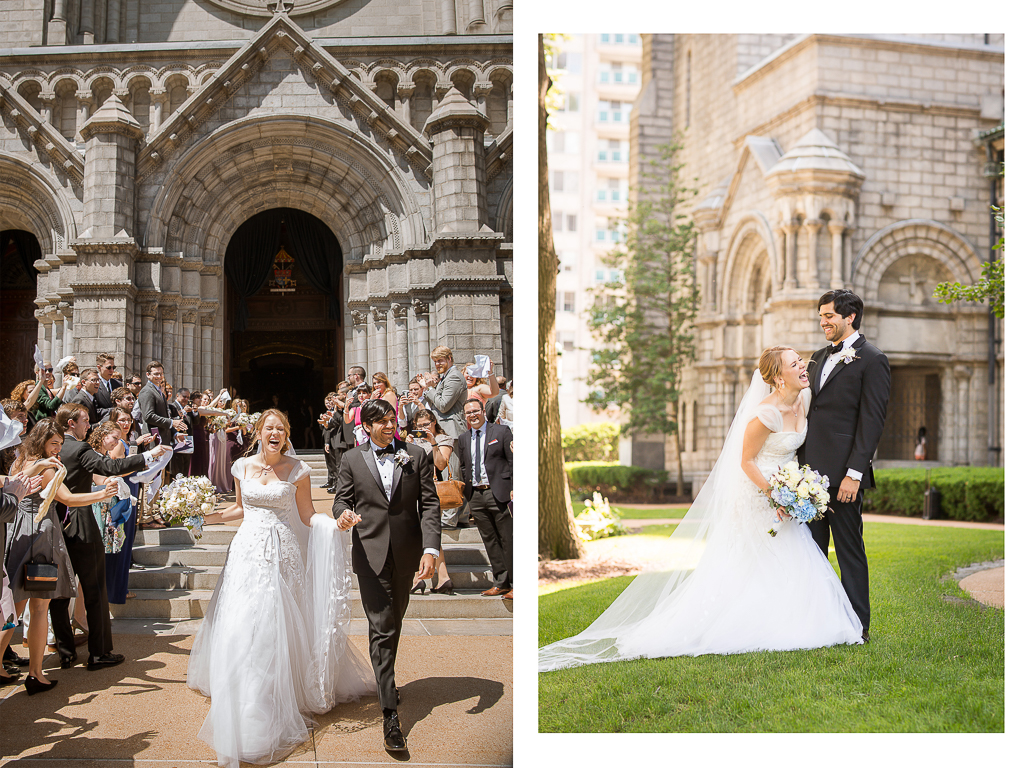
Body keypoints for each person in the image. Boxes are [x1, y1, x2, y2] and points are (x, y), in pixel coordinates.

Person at [538, 346, 865, 672]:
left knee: (793, 553)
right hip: (759, 492)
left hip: (786, 487)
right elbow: (746, 461)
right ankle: (747, 620)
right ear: (778, 377)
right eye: (796, 364)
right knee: (758, 557)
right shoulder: (765, 414)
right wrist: (775, 495)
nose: (804, 366)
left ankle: (800, 616)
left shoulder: (804, 400)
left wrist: (797, 490)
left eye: (802, 361)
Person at [187, 410, 374, 768]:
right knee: (242, 622)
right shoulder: (240, 467)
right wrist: (200, 515)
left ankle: (270, 698)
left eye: (281, 429)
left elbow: (306, 516)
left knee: (274, 627)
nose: (275, 433)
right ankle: (243, 692)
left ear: (286, 435)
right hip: (245, 553)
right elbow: (238, 510)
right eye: (269, 428)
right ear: (259, 432)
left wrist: (334, 523)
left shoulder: (299, 470)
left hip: (282, 553)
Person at [332, 399, 441, 752]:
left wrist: (431, 549)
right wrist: (344, 515)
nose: (388, 425)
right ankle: (390, 715)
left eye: (391, 418)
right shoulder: (351, 459)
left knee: (394, 620)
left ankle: (385, 680)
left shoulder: (416, 455)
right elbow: (340, 500)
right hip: (370, 553)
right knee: (382, 627)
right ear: (366, 426)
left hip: (408, 554)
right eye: (379, 421)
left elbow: (430, 504)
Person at [49, 403, 168, 670]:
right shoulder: (80, 449)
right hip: (81, 523)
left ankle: (65, 651)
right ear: (71, 423)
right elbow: (110, 466)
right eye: (84, 420)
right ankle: (99, 652)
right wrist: (149, 456)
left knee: (59, 592)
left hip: (56, 524)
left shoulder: (53, 448)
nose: (88, 425)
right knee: (95, 589)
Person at [800, 289, 890, 643]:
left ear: (849, 317)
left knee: (850, 552)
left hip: (843, 480)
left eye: (829, 316)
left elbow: (872, 422)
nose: (823, 322)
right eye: (821, 316)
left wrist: (854, 474)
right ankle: (814, 620)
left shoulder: (873, 359)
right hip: (807, 478)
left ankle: (857, 627)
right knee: (810, 552)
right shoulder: (817, 356)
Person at [6, 418, 119, 692]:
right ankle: (34, 673)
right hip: (40, 536)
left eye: (60, 444)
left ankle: (27, 669)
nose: (58, 449)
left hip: (16, 532)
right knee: (37, 606)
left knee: (12, 609)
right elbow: (68, 499)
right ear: (42, 442)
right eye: (54, 443)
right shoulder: (47, 466)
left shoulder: (19, 462)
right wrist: (102, 494)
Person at [454, 400, 514, 600]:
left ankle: (516, 582)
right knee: (490, 540)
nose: (472, 415)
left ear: (483, 412)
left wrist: (515, 487)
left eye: (475, 411)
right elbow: (464, 466)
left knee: (508, 539)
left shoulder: (501, 432)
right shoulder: (463, 439)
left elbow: (512, 461)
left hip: (499, 492)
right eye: (468, 412)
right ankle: (501, 583)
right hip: (476, 495)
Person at [405, 409, 455, 594]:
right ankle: (441, 578)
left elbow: (441, 464)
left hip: (432, 491)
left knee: (428, 532)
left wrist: (432, 442)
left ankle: (426, 577)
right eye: (419, 426)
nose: (423, 429)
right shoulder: (414, 441)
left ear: (434, 422)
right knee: (423, 533)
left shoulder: (443, 439)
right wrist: (407, 446)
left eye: (426, 425)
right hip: (413, 489)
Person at [96, 417, 142, 604]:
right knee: (114, 545)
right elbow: (112, 470)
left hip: (123, 492)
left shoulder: (124, 442)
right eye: (121, 420)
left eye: (128, 420)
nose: (126, 424)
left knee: (122, 542)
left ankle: (117, 590)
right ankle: (113, 592)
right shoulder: (103, 453)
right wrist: (138, 463)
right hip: (110, 499)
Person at [418, 346, 468, 439]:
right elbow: (435, 404)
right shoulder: (446, 376)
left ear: (449, 358)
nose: (437, 364)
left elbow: (443, 405)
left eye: (440, 360)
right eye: (435, 361)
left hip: (452, 431)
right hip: (443, 431)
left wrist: (430, 388)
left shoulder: (454, 377)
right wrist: (426, 387)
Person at [93, 354, 122, 422]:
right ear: (99, 367)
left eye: (113, 367)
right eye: (108, 368)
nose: (112, 370)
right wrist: (114, 410)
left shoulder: (117, 384)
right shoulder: (94, 385)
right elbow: (94, 410)